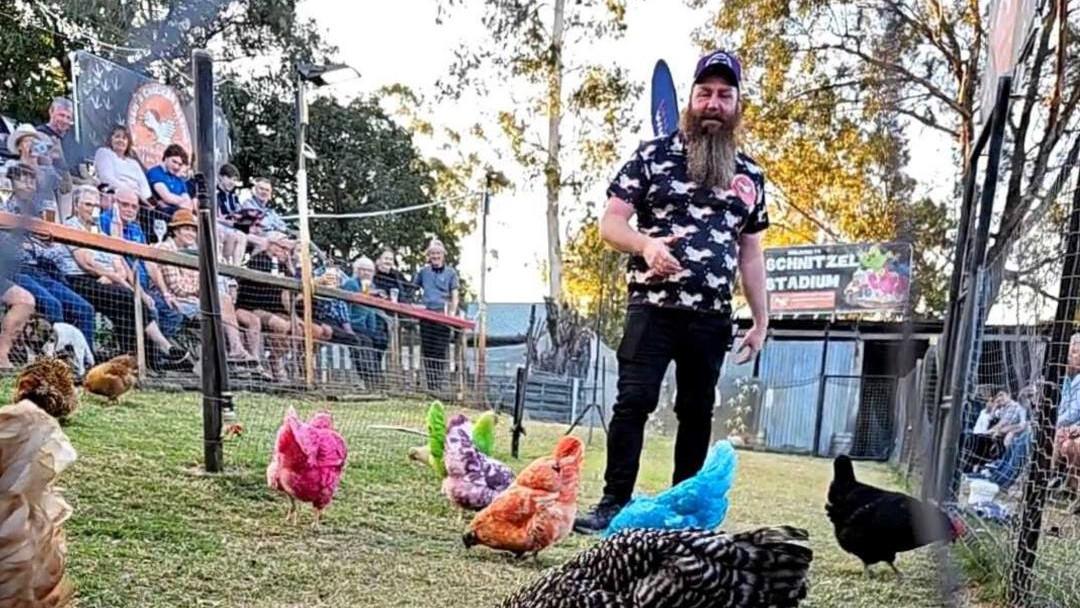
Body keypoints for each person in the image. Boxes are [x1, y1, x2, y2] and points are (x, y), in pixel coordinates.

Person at [574, 50, 770, 534]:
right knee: (632, 402)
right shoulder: (651, 155)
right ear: (690, 98)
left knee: (697, 412)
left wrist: (761, 320)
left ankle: (683, 514)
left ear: (737, 104)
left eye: (725, 95)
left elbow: (751, 255)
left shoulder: (750, 176)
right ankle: (613, 503)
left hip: (711, 317)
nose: (714, 103)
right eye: (705, 92)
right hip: (651, 308)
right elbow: (610, 223)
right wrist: (646, 245)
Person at [58, 186, 188, 368]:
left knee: (130, 309)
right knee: (129, 299)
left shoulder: (99, 231)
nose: (93, 209)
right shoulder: (72, 226)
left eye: (96, 205)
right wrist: (116, 278)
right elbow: (86, 263)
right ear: (76, 205)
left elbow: (118, 262)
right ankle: (163, 347)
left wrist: (113, 277)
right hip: (79, 279)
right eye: (88, 204)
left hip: (106, 281)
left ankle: (137, 364)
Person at [3, 163, 95, 350]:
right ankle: (52, 361)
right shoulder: (5, 208)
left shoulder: (39, 213)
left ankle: (85, 364)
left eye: (32, 180)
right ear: (12, 182)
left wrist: (44, 243)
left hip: (41, 270)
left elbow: (55, 251)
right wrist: (31, 243)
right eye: (23, 178)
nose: (29, 184)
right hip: (15, 270)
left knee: (85, 309)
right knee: (53, 305)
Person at [154, 208, 256, 361]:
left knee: (225, 304)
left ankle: (235, 352)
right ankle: (234, 351)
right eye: (186, 229)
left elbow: (198, 281)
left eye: (193, 230)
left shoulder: (192, 251)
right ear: (175, 231)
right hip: (176, 302)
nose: (191, 234)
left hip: (194, 300)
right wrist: (201, 291)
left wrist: (200, 290)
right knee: (223, 303)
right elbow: (177, 288)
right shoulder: (166, 248)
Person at [413, 239, 459, 393]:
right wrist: (414, 304)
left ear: (443, 255)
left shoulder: (451, 273)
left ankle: (438, 384)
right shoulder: (423, 272)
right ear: (428, 255)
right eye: (432, 253)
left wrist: (452, 312)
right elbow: (413, 288)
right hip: (426, 314)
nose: (435, 256)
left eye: (438, 253)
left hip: (442, 314)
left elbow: (455, 294)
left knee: (440, 349)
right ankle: (431, 385)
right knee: (428, 349)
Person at [6, 123, 61, 218]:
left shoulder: (47, 170)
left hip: (41, 218)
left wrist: (48, 160)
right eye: (27, 141)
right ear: (19, 147)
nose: (31, 144)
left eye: (35, 141)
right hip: (16, 214)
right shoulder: (12, 165)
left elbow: (63, 187)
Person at [34, 98, 74, 217]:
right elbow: (44, 165)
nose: (65, 120)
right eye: (61, 115)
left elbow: (82, 173)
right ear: (51, 112)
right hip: (50, 187)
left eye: (68, 118)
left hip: (71, 187)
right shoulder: (39, 135)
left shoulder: (72, 143)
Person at [94, 126, 152, 204]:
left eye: (124, 138)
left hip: (138, 201)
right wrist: (132, 193)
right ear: (111, 139)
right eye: (117, 137)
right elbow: (106, 178)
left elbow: (145, 187)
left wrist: (141, 197)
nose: (121, 140)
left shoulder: (134, 163)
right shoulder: (104, 152)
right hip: (115, 196)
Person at [145, 144, 194, 236]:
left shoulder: (179, 180)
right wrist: (179, 201)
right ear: (166, 158)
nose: (176, 167)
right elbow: (167, 196)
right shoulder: (155, 172)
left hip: (178, 214)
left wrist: (174, 201)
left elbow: (189, 205)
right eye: (174, 162)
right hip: (159, 216)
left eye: (180, 164)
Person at [214, 163, 255, 262]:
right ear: (220, 177)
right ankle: (222, 264)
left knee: (242, 236)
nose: (232, 182)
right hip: (220, 225)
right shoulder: (215, 194)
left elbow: (237, 214)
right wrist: (231, 222)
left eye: (234, 180)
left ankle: (236, 269)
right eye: (229, 178)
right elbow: (217, 216)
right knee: (230, 235)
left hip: (232, 227)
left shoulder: (234, 197)